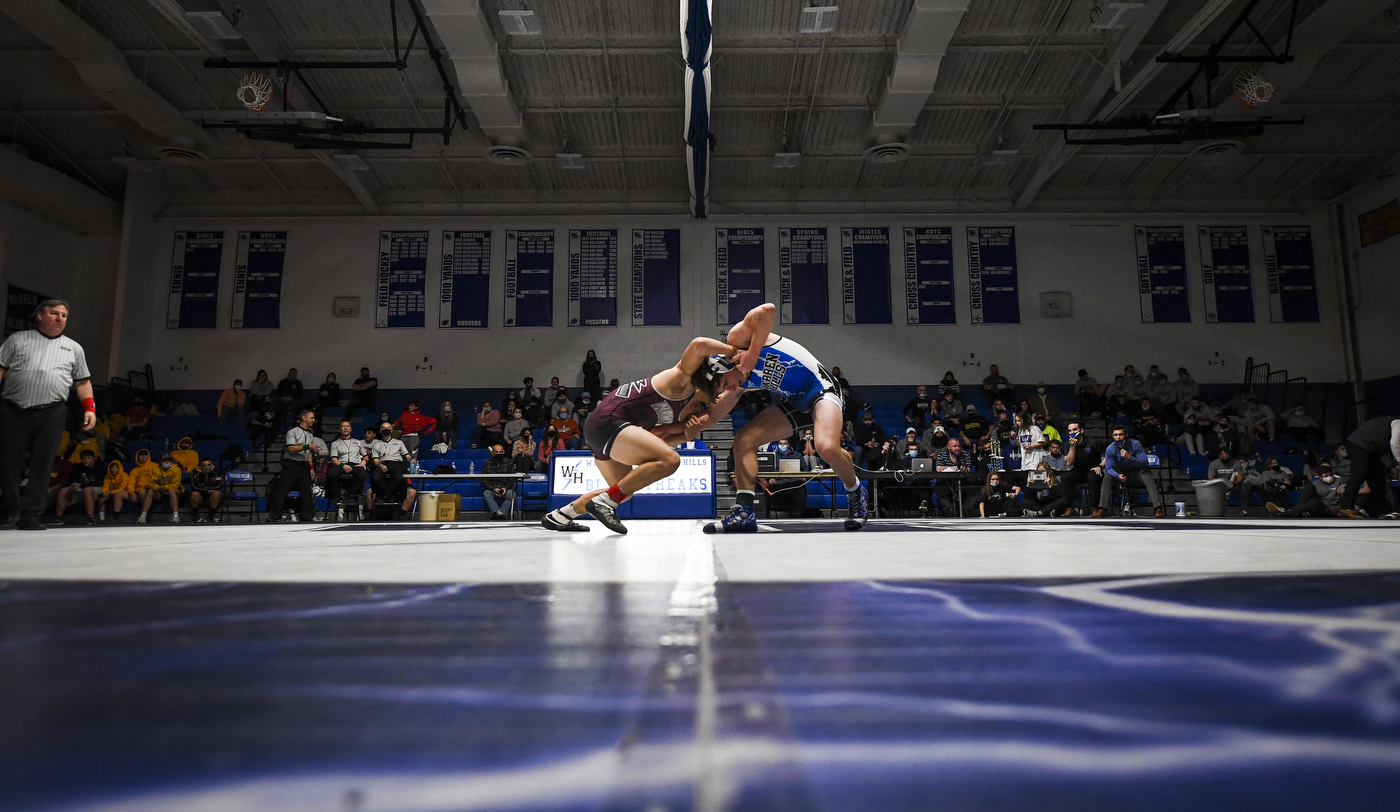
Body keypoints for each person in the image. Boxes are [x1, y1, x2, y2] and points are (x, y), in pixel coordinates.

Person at [541, 329, 752, 535]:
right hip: (608, 421)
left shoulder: (695, 410)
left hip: (607, 431)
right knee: (671, 461)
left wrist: (685, 435)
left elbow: (657, 438)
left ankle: (560, 516)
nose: (729, 389)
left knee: (623, 491)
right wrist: (735, 352)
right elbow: (698, 344)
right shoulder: (682, 379)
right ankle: (604, 502)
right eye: (727, 383)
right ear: (714, 373)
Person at [694, 304, 868, 532]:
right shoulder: (736, 387)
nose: (731, 388)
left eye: (727, 383)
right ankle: (744, 512)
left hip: (821, 389)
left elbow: (767, 310)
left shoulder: (738, 339)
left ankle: (855, 491)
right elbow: (709, 419)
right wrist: (672, 428)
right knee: (743, 441)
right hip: (795, 401)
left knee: (825, 446)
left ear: (724, 366)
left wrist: (753, 354)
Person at [0, 299, 97, 531]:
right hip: (14, 409)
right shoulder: (18, 340)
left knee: (42, 464)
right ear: (40, 316)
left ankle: (31, 515)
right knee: (8, 463)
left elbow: (83, 381)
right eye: (55, 313)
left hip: (52, 411)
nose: (60, 319)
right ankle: (8, 509)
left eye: (64, 315)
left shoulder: (73, 348)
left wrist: (90, 409)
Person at [1093, 425, 1165, 518]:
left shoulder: (1135, 444)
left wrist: (1130, 458)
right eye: (1115, 435)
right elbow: (1109, 468)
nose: (1118, 437)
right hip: (1121, 475)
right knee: (1107, 477)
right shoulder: (1110, 448)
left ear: (1126, 435)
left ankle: (1158, 508)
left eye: (1120, 434)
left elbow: (1144, 463)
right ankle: (1103, 509)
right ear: (1112, 436)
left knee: (1147, 475)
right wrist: (1117, 475)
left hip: (1136, 474)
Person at [1337, 415, 1400, 519]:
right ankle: (1346, 506)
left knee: (1377, 478)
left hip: (1370, 448)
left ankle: (1382, 510)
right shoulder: (1398, 423)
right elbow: (1394, 444)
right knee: (1359, 474)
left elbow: (1382, 448)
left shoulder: (1389, 428)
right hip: (1359, 444)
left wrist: (1391, 466)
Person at [266, 409, 318, 523]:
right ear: (304, 418)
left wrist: (311, 467)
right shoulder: (293, 432)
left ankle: (307, 516)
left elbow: (309, 452)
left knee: (307, 493)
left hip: (303, 465)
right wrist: (307, 446)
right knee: (282, 490)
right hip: (291, 464)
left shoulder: (310, 433)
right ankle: (274, 516)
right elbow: (291, 448)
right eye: (311, 418)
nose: (313, 420)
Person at [369, 420, 411, 519]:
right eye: (384, 428)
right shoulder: (376, 444)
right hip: (382, 463)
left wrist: (410, 458)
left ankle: (390, 496)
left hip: (395, 463)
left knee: (398, 478)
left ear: (392, 430)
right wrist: (379, 465)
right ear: (380, 431)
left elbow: (407, 455)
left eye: (388, 428)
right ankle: (384, 495)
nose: (386, 430)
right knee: (375, 477)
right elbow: (375, 459)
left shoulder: (399, 442)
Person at [327, 420, 369, 520]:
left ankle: (348, 493)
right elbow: (333, 459)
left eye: (347, 426)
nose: (345, 428)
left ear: (350, 429)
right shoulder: (335, 443)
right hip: (341, 464)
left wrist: (363, 462)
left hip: (355, 464)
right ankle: (335, 497)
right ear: (340, 429)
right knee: (331, 474)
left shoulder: (358, 442)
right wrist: (343, 465)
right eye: (343, 426)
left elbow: (366, 456)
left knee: (363, 475)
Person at [1269, 462, 1341, 517]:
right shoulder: (1316, 482)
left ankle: (1285, 514)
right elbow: (1306, 491)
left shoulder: (1338, 480)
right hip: (1317, 507)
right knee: (1309, 487)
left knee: (1315, 502)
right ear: (1320, 477)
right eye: (1326, 476)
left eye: (1331, 475)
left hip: (1329, 510)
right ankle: (1298, 512)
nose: (1329, 477)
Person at [53, 448, 102, 525]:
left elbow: (99, 482)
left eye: (88, 458)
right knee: (63, 491)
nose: (86, 460)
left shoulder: (100, 466)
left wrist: (81, 485)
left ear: (93, 458)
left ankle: (90, 517)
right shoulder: (77, 467)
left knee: (87, 490)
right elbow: (73, 480)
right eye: (84, 458)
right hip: (80, 489)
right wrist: (74, 486)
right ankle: (59, 518)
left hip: (96, 490)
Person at [1205, 446, 1255, 515]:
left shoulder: (1236, 463)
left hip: (1233, 484)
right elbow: (1210, 478)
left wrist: (1233, 483)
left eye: (1227, 457)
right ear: (1219, 456)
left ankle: (1244, 510)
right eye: (1223, 457)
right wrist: (1222, 483)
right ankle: (1216, 511)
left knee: (1243, 486)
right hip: (1219, 485)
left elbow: (1240, 479)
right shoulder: (1213, 464)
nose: (1225, 459)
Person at [139, 453, 183, 525]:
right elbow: (151, 483)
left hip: (174, 491)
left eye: (169, 460)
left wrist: (166, 488)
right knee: (150, 491)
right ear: (160, 461)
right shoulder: (156, 470)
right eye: (164, 460)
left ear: (172, 462)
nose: (166, 462)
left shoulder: (177, 469)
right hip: (160, 490)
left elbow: (175, 484)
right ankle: (143, 516)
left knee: (171, 491)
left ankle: (175, 516)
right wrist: (159, 488)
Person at [482, 443, 517, 520]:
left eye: (500, 452)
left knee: (512, 495)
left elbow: (512, 478)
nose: (499, 454)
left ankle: (501, 514)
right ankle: (497, 512)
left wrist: (506, 488)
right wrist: (493, 489)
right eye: (497, 452)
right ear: (493, 452)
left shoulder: (509, 463)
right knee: (486, 493)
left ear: (503, 452)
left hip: (505, 488)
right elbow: (484, 480)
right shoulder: (487, 464)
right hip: (492, 489)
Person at [187, 458, 223, 523]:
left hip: (211, 498)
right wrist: (208, 491)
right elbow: (195, 487)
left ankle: (210, 516)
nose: (207, 467)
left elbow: (218, 486)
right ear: (200, 466)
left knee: (216, 493)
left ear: (212, 465)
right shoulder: (195, 473)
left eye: (209, 465)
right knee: (194, 494)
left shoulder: (217, 472)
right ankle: (196, 516)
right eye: (204, 465)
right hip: (200, 498)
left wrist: (203, 488)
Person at [1015, 412, 1046, 480]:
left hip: (1035, 458)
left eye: (1019, 420)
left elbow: (1043, 442)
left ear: (1024, 420)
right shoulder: (1020, 430)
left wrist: (1031, 446)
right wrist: (1014, 437)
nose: (1017, 423)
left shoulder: (1034, 428)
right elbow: (1020, 444)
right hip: (1025, 460)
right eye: (1016, 421)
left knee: (1035, 481)